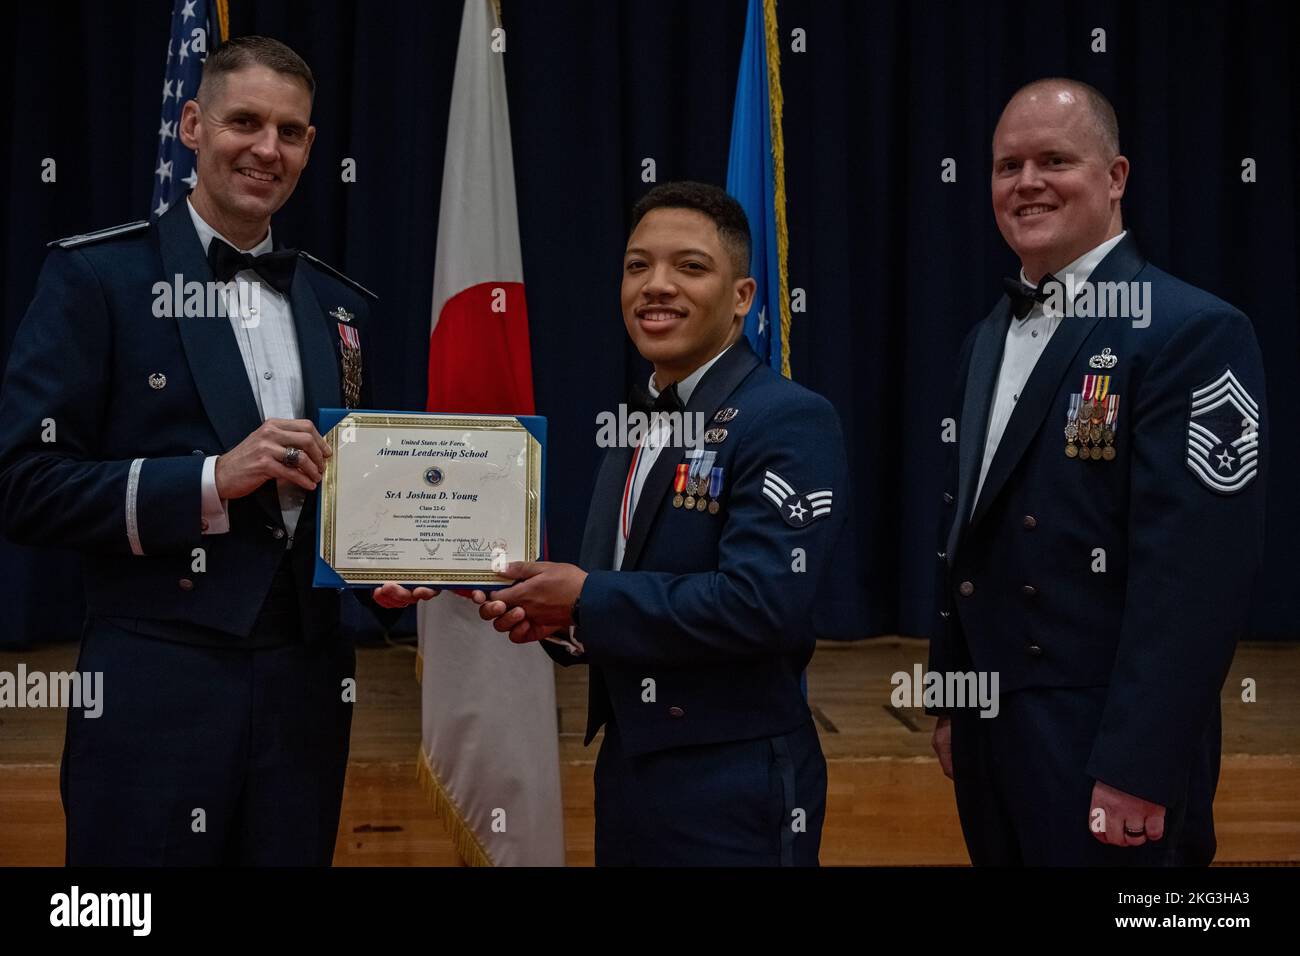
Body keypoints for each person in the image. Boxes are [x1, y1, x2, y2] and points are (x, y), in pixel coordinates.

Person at [0, 35, 430, 865]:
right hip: (154, 682)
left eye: (293, 132)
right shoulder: (97, 278)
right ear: (192, 124)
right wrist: (209, 479)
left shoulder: (340, 305)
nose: (269, 149)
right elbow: (24, 485)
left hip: (307, 685)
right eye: (245, 122)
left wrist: (385, 565)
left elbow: (340, 497)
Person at [928, 78, 1268, 865]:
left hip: (1106, 748)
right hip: (991, 736)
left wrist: (1138, 765)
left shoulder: (1193, 332)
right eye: (1007, 166)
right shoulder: (985, 339)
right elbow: (960, 538)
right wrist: (949, 700)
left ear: (1115, 178)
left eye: (1055, 160)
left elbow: (1197, 580)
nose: (1027, 183)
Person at [473, 181, 848, 866]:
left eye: (690, 266)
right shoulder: (640, 416)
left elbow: (762, 603)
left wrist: (585, 598)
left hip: (733, 781)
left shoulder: (788, 417)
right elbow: (624, 587)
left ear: (743, 297)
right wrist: (566, 625)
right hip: (632, 768)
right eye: (638, 265)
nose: (656, 285)